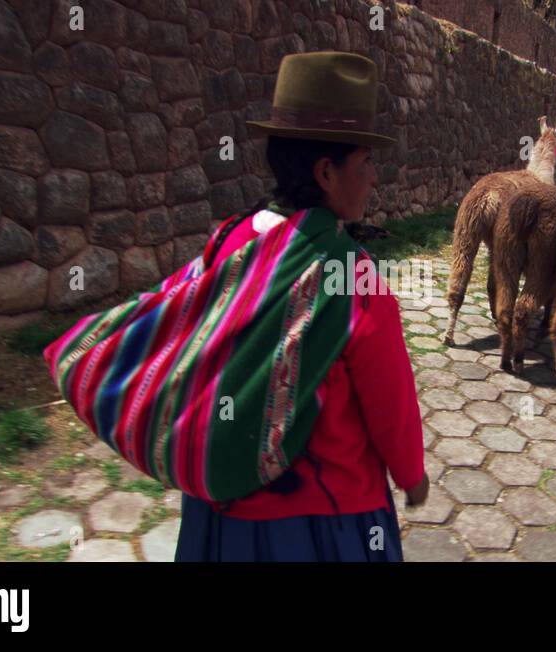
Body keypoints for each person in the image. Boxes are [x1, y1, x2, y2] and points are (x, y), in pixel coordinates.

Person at [172, 52, 429, 562]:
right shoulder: (354, 278)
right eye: (366, 162)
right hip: (321, 522)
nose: (375, 177)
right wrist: (412, 476)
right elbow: (390, 406)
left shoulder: (226, 241)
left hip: (222, 513)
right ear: (326, 172)